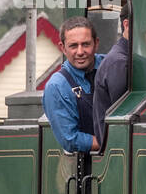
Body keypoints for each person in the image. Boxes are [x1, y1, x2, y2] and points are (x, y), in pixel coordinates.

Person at [43, 17, 104, 153]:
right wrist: (112, 143)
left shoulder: (111, 67)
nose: (80, 52)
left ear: (96, 43)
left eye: (86, 44)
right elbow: (70, 139)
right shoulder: (57, 87)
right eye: (73, 46)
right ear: (63, 48)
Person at [92, 1, 131, 147]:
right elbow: (121, 115)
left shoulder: (124, 58)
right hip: (115, 146)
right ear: (126, 25)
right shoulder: (119, 63)